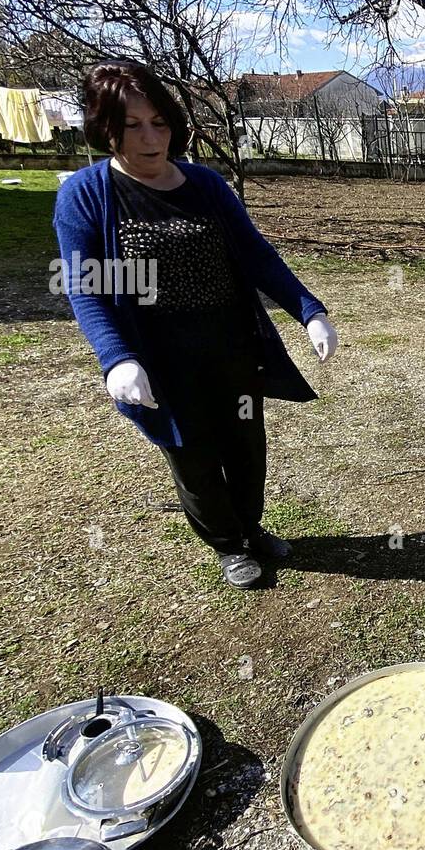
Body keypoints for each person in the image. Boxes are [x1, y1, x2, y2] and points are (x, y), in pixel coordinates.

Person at [53, 58, 339, 589]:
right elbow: (84, 287)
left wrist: (309, 309)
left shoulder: (204, 184)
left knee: (248, 450)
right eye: (131, 124)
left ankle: (250, 527)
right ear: (103, 128)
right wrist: (117, 359)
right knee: (195, 459)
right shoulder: (87, 195)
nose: (149, 136)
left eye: (158, 122)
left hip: (232, 350)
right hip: (163, 362)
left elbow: (256, 254)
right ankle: (229, 545)